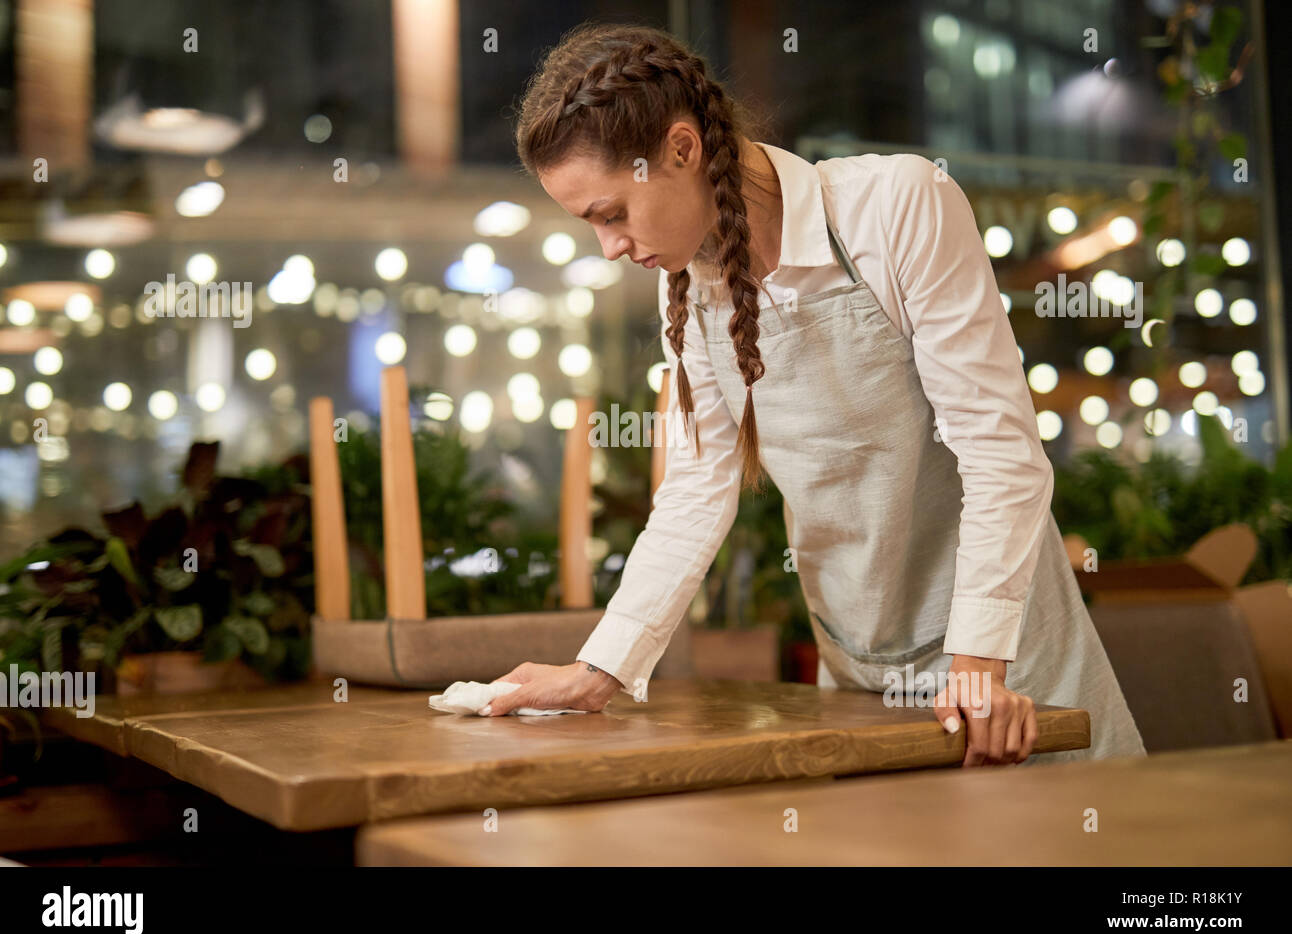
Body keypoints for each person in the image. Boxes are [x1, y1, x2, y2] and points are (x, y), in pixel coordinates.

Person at [485, 22, 1147, 767]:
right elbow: (697, 492)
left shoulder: (898, 206)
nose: (608, 247)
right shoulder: (692, 288)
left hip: (1004, 658)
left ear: (681, 149)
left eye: (610, 214)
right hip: (857, 666)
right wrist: (597, 670)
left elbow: (1002, 455)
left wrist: (979, 667)